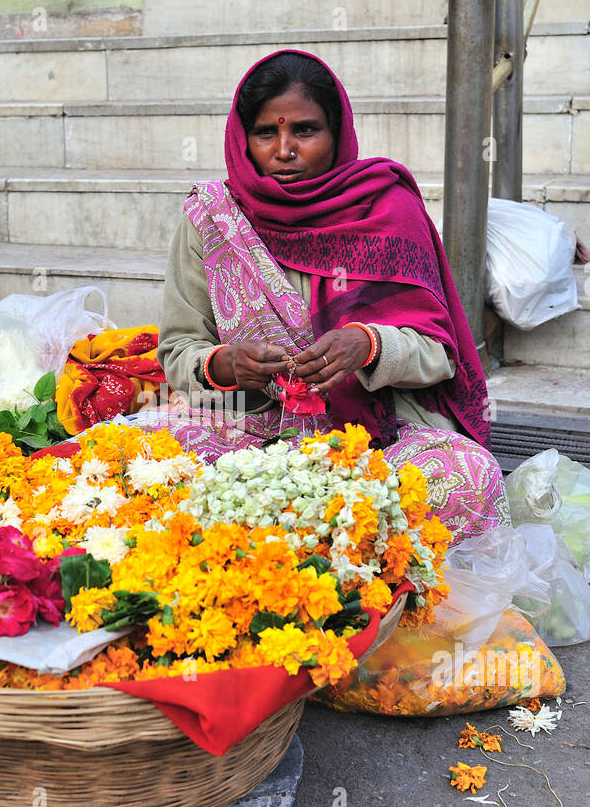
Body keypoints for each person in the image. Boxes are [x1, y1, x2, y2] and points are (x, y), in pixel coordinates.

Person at [153, 49, 509, 542]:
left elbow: (440, 355)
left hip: (375, 439)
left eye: (305, 130)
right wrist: (228, 363)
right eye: (265, 133)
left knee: (465, 479)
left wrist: (369, 344)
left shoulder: (386, 208)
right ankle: (313, 544)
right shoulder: (213, 217)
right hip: (253, 430)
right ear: (243, 138)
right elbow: (177, 349)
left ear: (336, 133)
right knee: (141, 462)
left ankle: (285, 543)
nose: (284, 149)